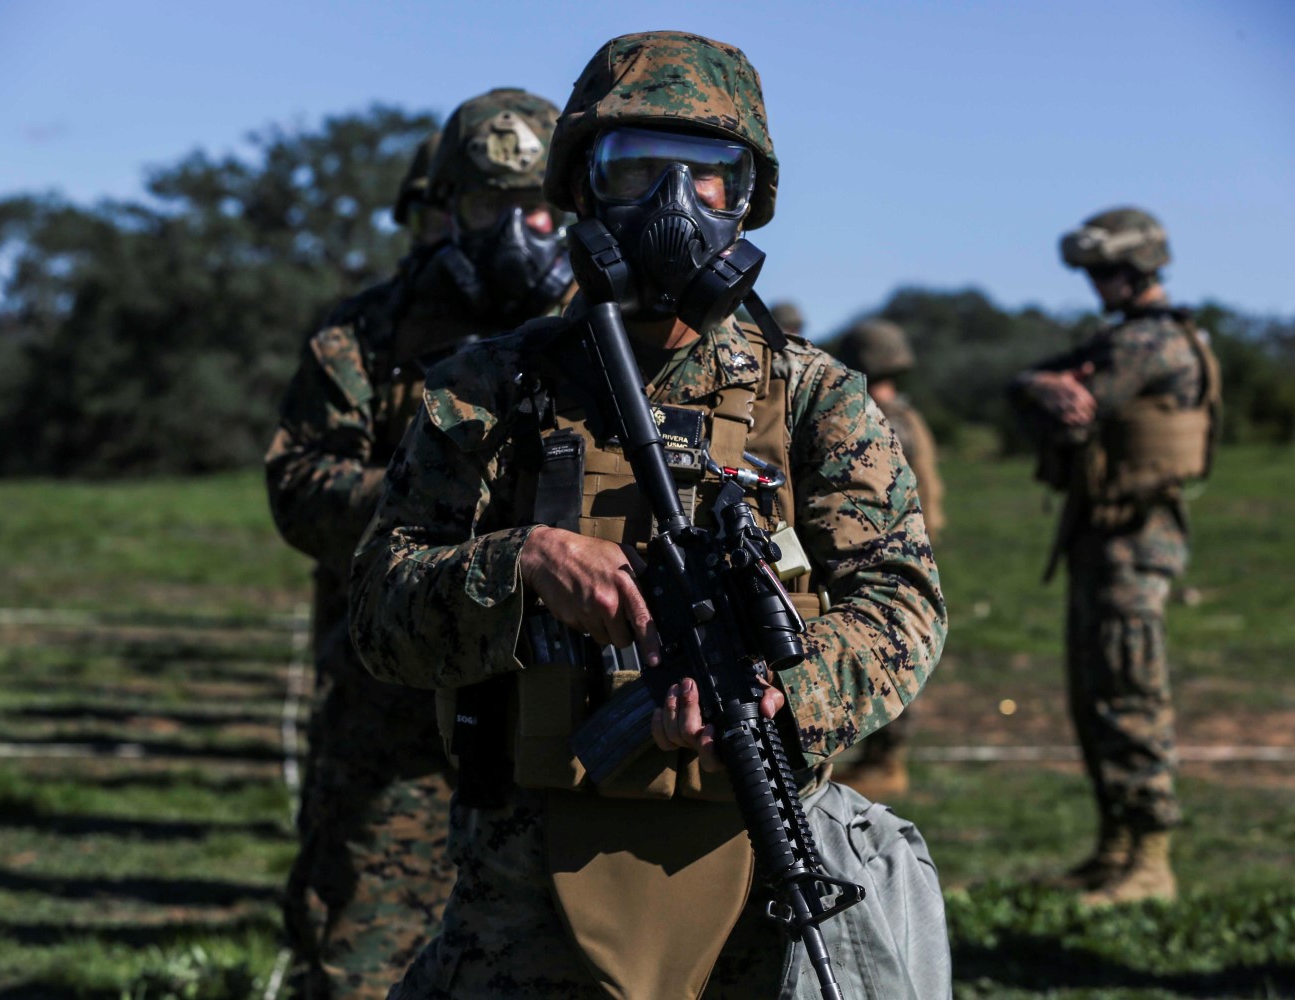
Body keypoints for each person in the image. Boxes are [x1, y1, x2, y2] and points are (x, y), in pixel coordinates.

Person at [351, 32, 949, 999]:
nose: (674, 202)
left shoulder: (812, 398)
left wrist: (781, 699)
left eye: (709, 173)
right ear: (583, 191)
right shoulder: (486, 388)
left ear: (748, 196)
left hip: (757, 858)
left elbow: (903, 603)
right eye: (635, 171)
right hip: (523, 882)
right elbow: (379, 615)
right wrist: (522, 562)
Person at [265, 87, 573, 997]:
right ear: (443, 206)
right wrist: (456, 510)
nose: (519, 230)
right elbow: (299, 483)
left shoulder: (613, 329)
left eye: (539, 206)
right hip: (394, 704)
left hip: (566, 711)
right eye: (488, 207)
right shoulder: (368, 332)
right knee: (364, 953)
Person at [1010, 207, 1219, 905]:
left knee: (1130, 696)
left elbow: (1080, 403)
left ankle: (1151, 859)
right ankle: (1118, 848)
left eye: (1104, 271)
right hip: (1104, 537)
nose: (1096, 284)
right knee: (1096, 695)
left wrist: (1043, 388)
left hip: (1134, 540)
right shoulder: (1128, 337)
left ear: (1136, 268)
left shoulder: (1151, 345)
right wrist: (1038, 384)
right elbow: (1033, 385)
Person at [832, 318, 946, 796]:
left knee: (889, 649)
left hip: (881, 549)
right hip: (907, 546)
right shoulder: (905, 412)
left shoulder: (877, 416)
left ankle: (886, 759)